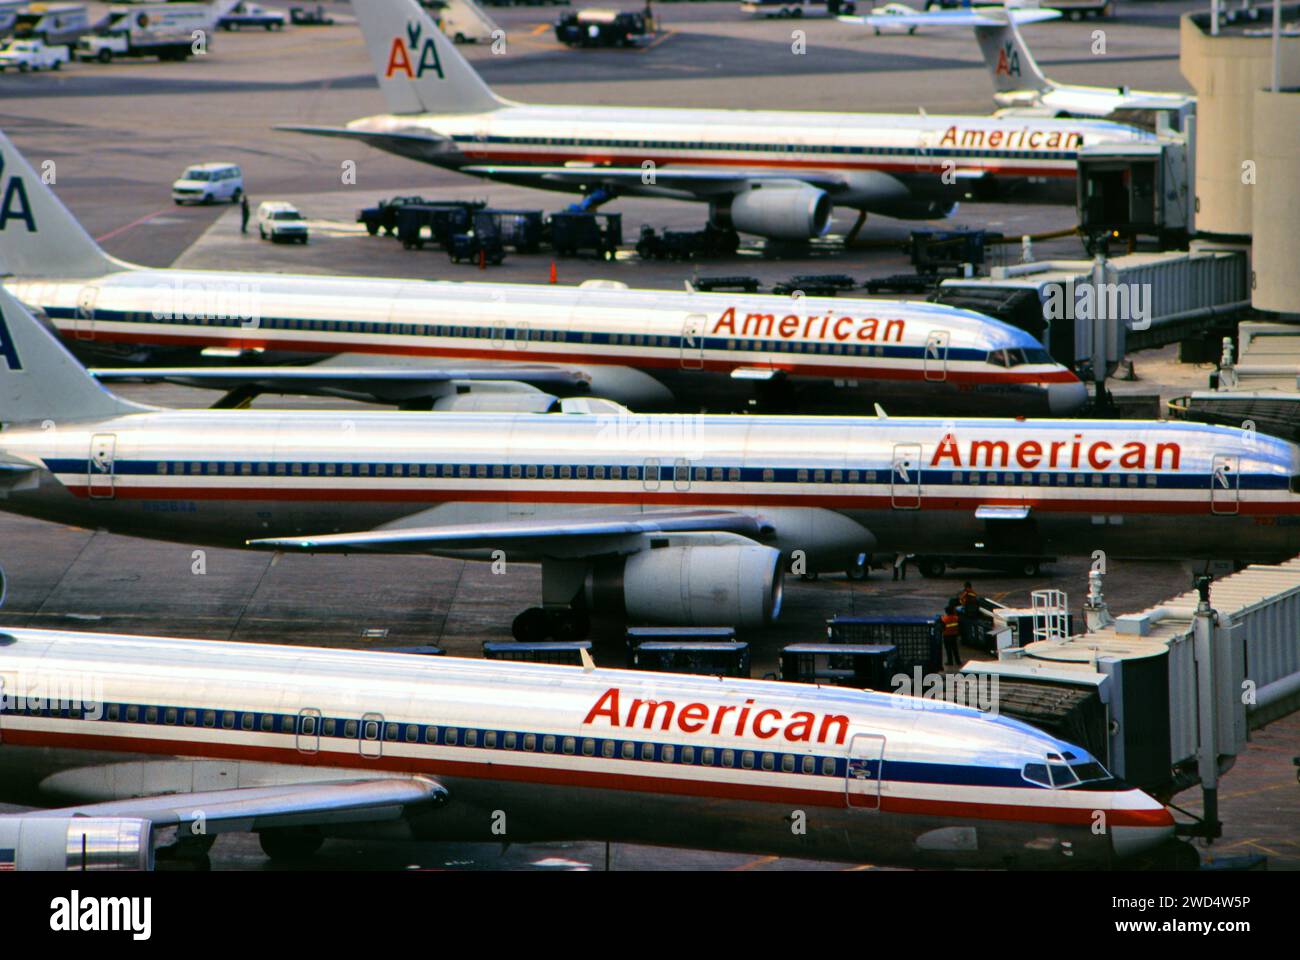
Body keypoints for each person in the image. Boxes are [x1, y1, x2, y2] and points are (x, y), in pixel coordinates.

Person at [957, 581, 980, 648]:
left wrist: (963, 597)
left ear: (968, 587)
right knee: (972, 629)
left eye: (965, 587)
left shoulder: (970, 595)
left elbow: (962, 600)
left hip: (969, 615)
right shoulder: (972, 594)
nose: (965, 589)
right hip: (972, 614)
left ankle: (970, 642)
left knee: (969, 629)